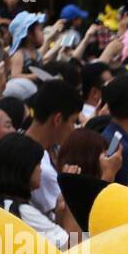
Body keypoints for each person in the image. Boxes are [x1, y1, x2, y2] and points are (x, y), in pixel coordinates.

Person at [24, 80, 84, 219]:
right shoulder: (41, 169)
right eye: (73, 121)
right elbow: (67, 220)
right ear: (57, 119)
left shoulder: (43, 148)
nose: (74, 128)